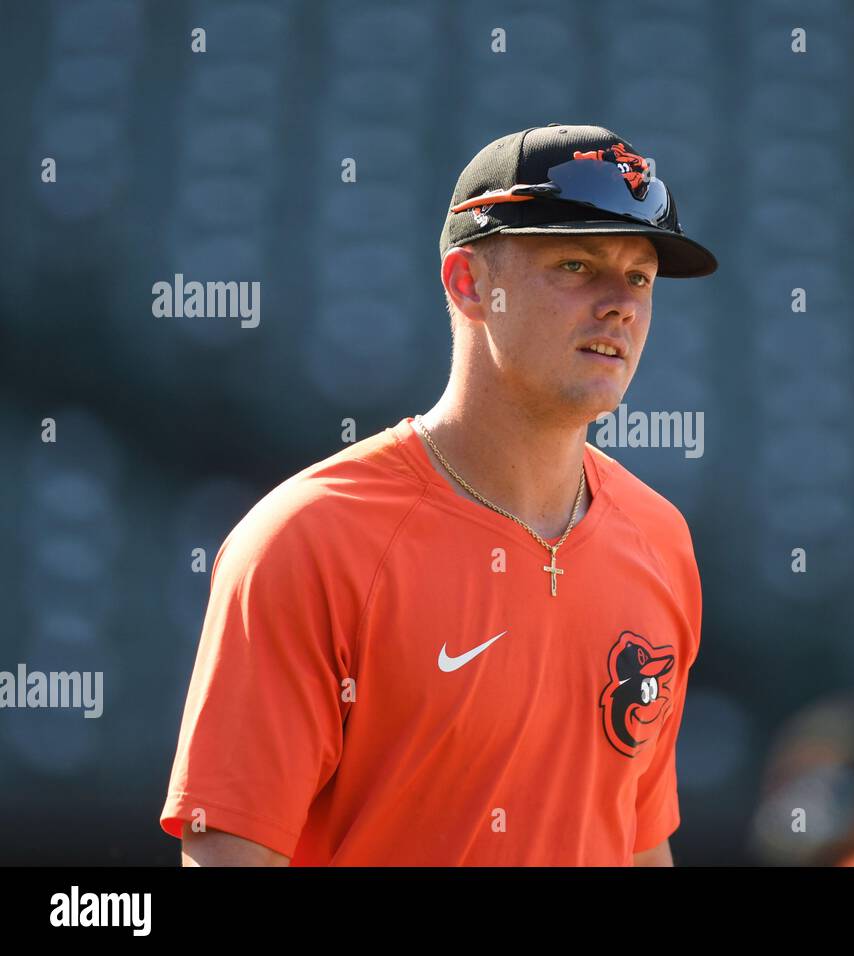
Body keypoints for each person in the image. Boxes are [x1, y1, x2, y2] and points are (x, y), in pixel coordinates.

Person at [159, 124, 717, 865]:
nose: (620, 304)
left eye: (640, 277)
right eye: (578, 264)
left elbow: (639, 841)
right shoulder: (307, 541)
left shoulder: (661, 539)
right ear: (468, 284)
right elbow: (230, 853)